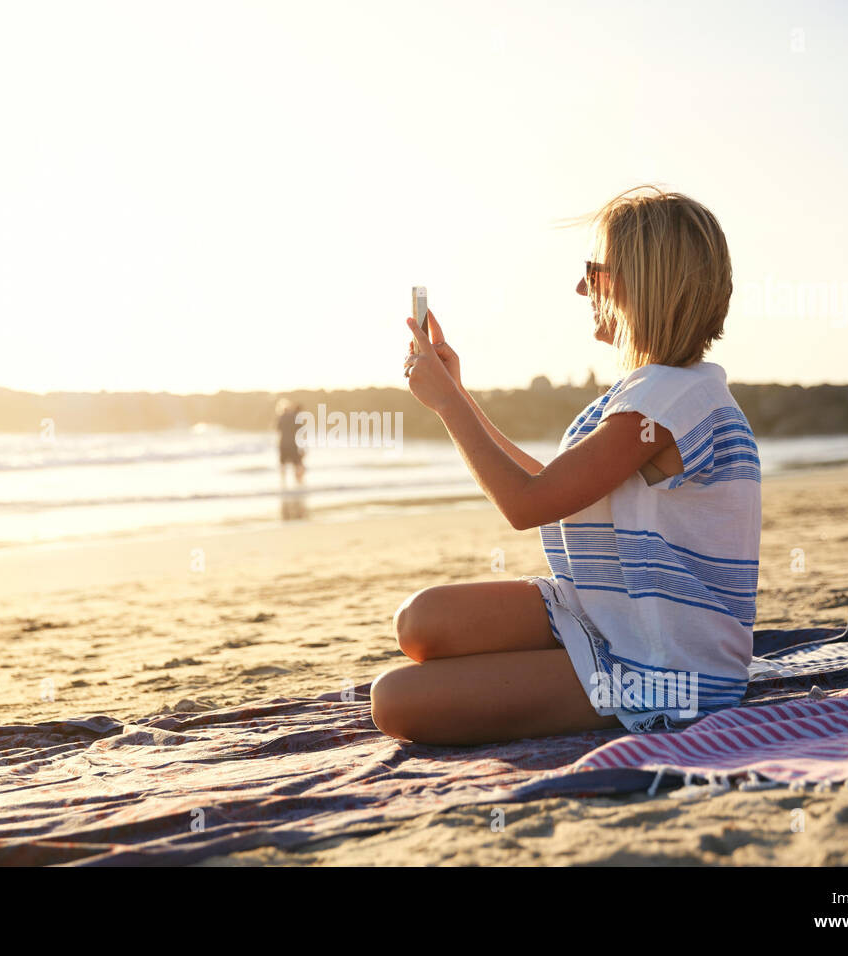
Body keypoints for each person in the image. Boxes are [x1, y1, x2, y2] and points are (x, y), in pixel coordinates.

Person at [375, 185, 761, 746]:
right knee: (419, 621)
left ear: (644, 282)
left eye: (595, 271)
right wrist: (458, 396)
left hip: (667, 673)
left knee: (395, 700)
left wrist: (448, 404)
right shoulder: (661, 392)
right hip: (603, 612)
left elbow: (527, 503)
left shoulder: (671, 399)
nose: (582, 286)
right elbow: (553, 485)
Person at [275, 399, 306, 488]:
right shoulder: (295, 417)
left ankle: (283, 483)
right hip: (293, 444)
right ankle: (300, 483)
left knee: (283, 464)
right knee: (297, 464)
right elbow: (301, 432)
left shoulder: (281, 417)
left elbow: (278, 430)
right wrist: (303, 447)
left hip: (282, 444)